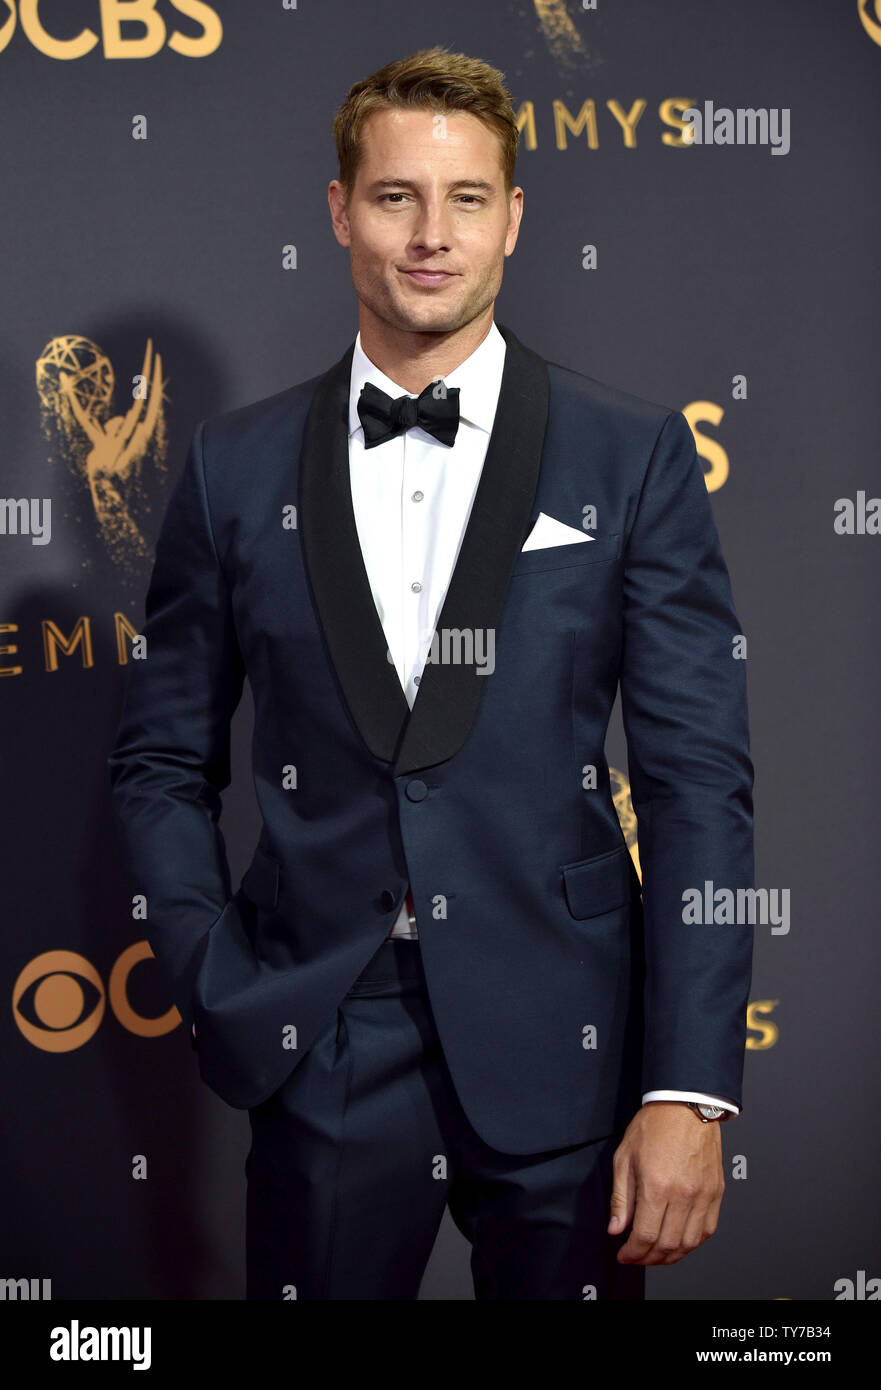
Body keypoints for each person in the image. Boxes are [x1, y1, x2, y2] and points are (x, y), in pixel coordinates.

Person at [108, 45, 755, 1301]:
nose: (430, 236)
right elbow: (158, 759)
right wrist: (207, 965)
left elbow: (695, 784)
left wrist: (686, 1083)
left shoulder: (630, 454)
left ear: (513, 217)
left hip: (568, 1032)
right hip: (321, 1026)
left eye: (465, 199)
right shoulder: (230, 467)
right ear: (340, 210)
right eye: (396, 196)